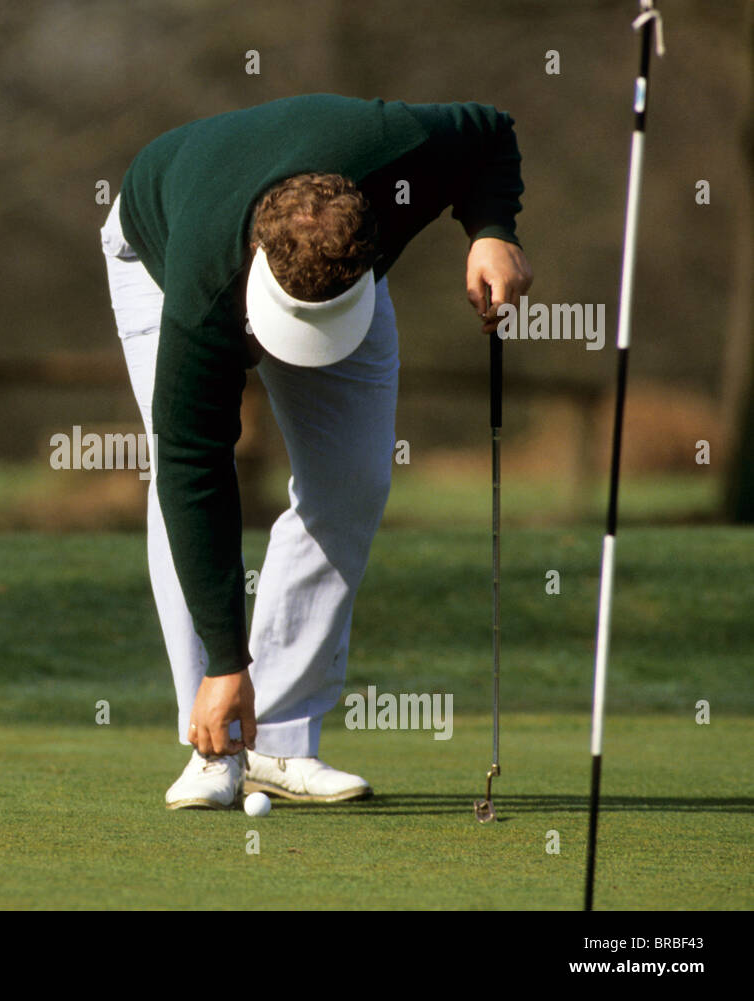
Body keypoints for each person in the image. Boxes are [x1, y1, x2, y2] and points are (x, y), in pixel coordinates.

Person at [98, 93, 532, 809]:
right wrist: (226, 660)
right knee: (175, 495)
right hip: (157, 244)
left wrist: (491, 229)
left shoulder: (404, 150)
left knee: (354, 479)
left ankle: (280, 741)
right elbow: (193, 467)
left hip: (319, 254)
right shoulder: (202, 295)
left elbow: (493, 130)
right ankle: (214, 744)